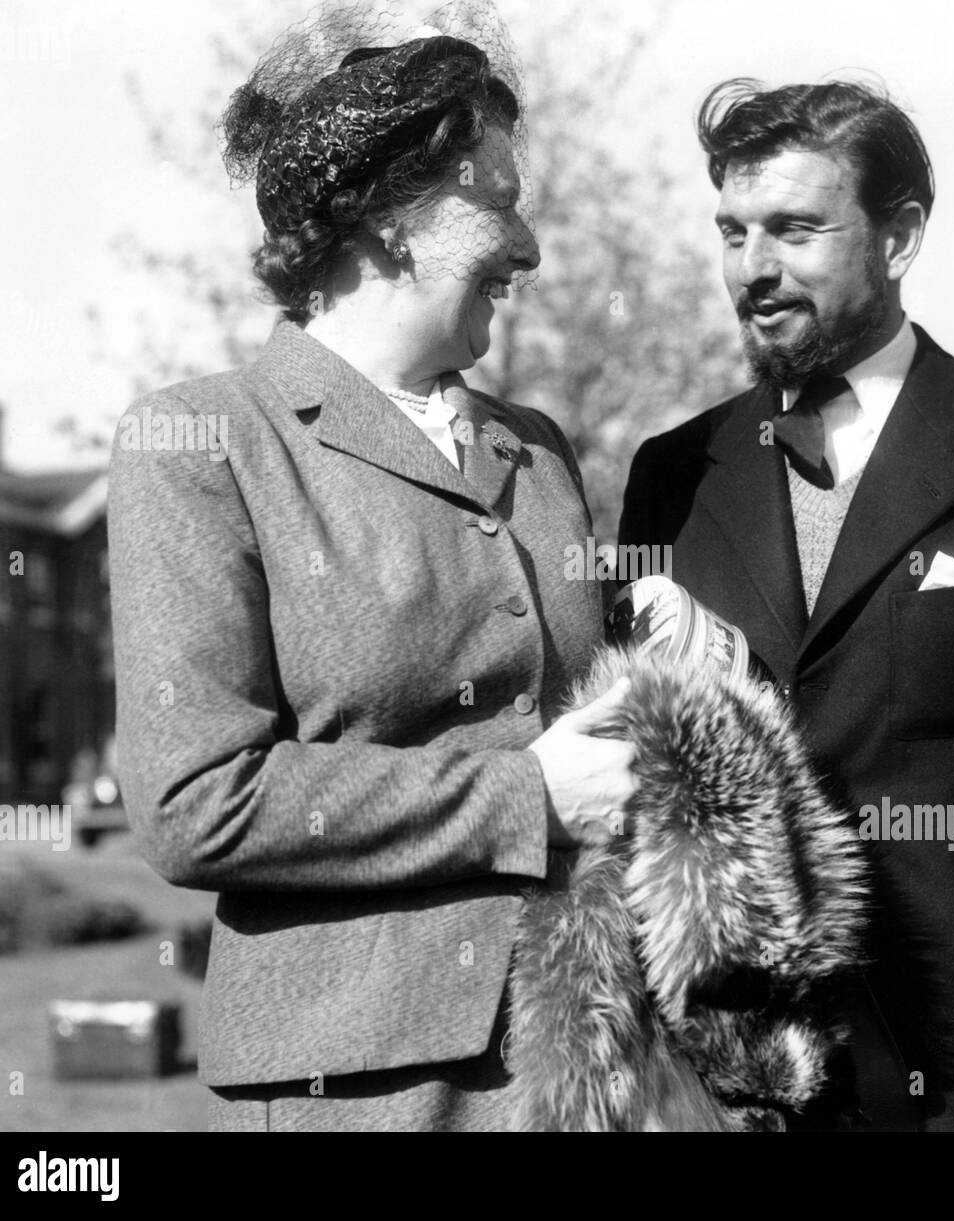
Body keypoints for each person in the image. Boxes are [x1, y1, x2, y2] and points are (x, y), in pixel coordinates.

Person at [108, 1, 636, 1131]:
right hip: (368, 1086)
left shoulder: (535, 449)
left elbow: (552, 686)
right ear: (390, 219)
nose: (530, 248)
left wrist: (658, 634)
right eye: (496, 205)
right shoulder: (206, 442)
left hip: (587, 1056)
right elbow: (196, 802)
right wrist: (524, 796)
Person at [618, 77, 954, 1131]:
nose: (753, 268)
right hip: (740, 1075)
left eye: (795, 229)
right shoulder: (670, 471)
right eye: (732, 232)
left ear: (900, 236)